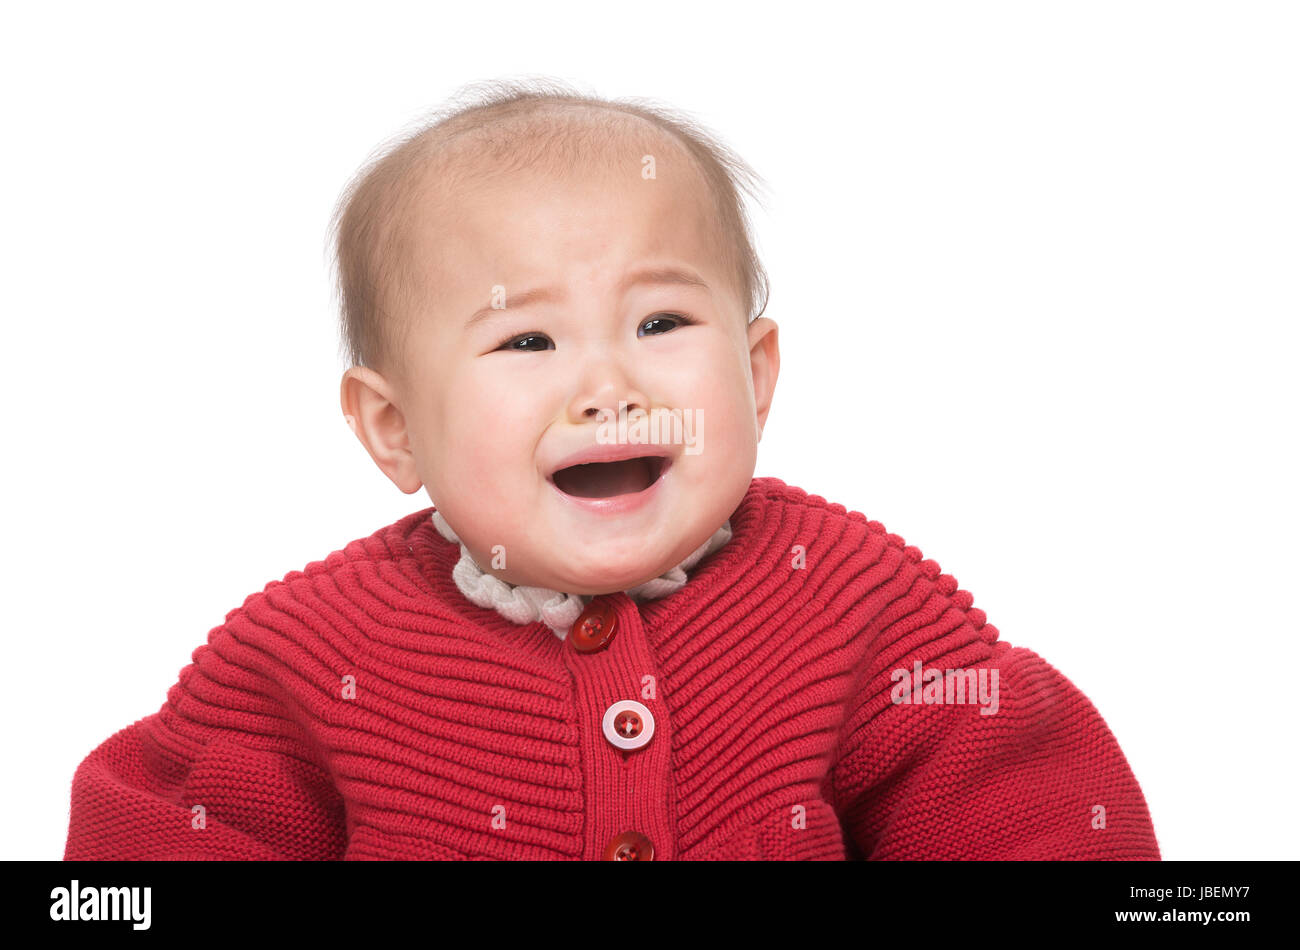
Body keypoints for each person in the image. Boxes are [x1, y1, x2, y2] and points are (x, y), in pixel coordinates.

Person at [63, 78, 1159, 860]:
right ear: (393, 429)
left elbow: (1017, 800)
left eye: (662, 319)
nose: (607, 385)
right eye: (527, 341)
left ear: (756, 371)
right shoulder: (310, 649)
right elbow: (165, 838)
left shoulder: (847, 596)